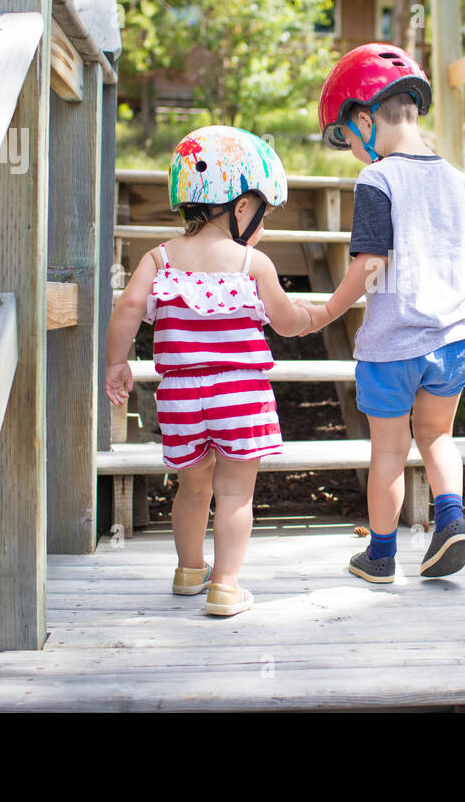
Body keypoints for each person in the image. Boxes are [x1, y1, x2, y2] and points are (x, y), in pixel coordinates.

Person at [303, 43, 465, 583]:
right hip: (454, 340)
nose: (353, 151)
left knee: (389, 451)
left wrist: (326, 312)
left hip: (393, 345)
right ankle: (451, 519)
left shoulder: (378, 180)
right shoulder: (463, 181)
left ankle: (382, 555)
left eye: (348, 138)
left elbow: (370, 263)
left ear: (365, 118)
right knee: (437, 436)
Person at [104, 126, 312, 616]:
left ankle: (188, 570)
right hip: (240, 394)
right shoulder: (251, 262)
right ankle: (225, 586)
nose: (261, 226)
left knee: (193, 485)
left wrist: (118, 362)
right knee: (236, 493)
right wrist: (310, 314)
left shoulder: (158, 259)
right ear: (241, 207)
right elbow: (284, 320)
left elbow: (129, 306)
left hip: (180, 396)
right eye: (261, 212)